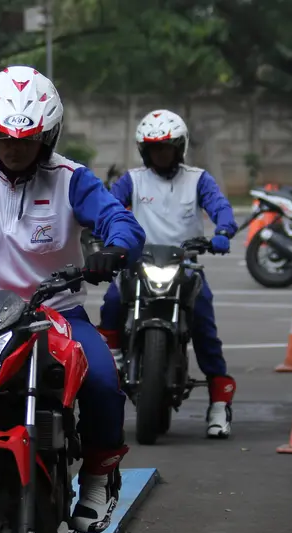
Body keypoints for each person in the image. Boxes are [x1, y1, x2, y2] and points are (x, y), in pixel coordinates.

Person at [0, 65, 146, 533]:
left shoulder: (73, 179)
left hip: (58, 313)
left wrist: (115, 249)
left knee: (104, 383)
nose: (16, 148)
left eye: (28, 139)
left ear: (48, 136)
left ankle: (99, 476)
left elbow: (120, 222)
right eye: (4, 138)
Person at [100, 109, 239, 439]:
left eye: (167, 147)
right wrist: (100, 230)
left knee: (204, 324)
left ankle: (219, 405)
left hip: (185, 265)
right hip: (139, 263)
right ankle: (114, 355)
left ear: (180, 148)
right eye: (154, 148)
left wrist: (223, 231)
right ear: (144, 150)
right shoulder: (132, 180)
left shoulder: (198, 179)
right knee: (112, 301)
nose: (161, 153)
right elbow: (107, 206)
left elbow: (219, 206)